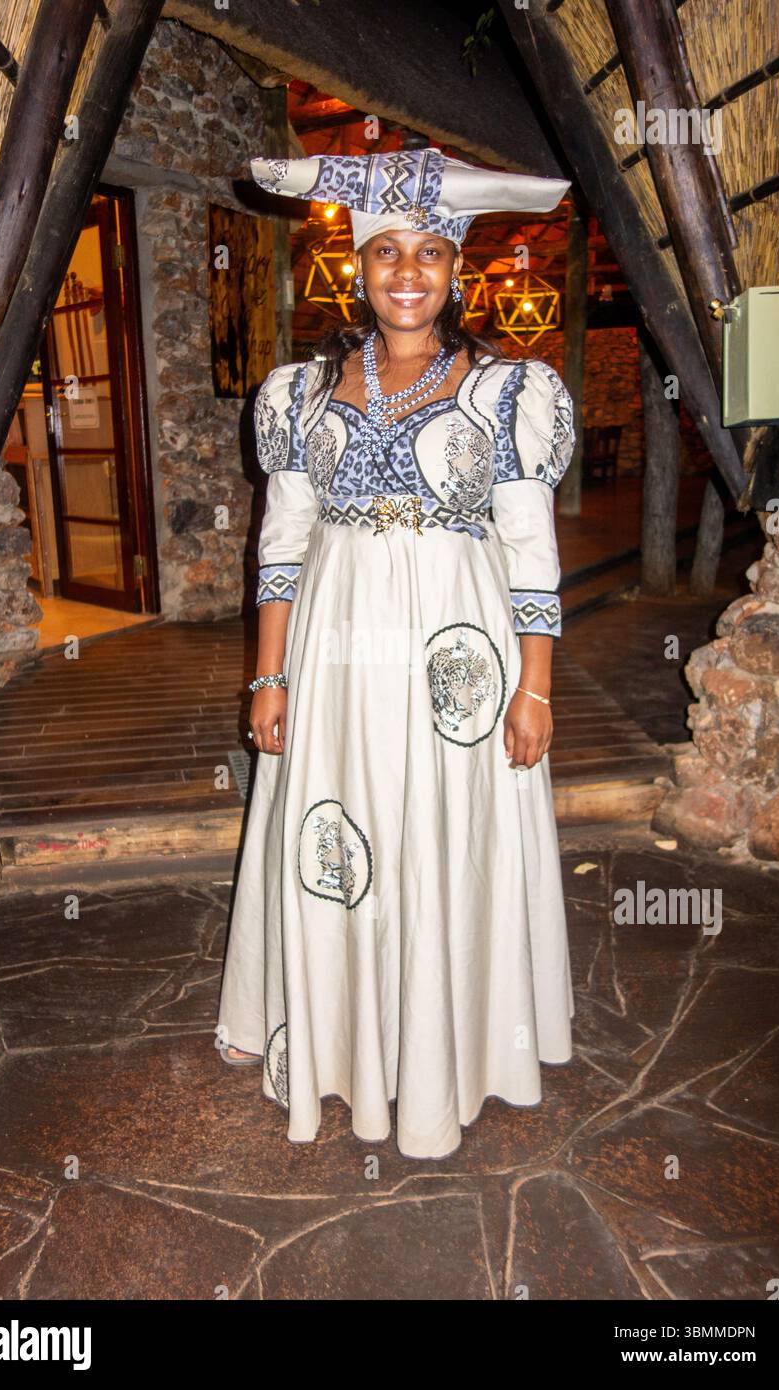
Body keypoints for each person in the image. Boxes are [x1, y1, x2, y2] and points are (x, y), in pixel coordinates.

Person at [215, 147, 576, 1160]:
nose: (405, 271)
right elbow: (280, 545)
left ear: (453, 269)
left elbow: (529, 549)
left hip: (457, 663)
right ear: (356, 266)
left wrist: (534, 687)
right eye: (384, 252)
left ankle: (443, 1051)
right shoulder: (298, 392)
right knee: (339, 835)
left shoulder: (510, 391)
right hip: (333, 655)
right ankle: (331, 1041)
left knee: (439, 833)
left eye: (426, 251)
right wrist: (269, 671)